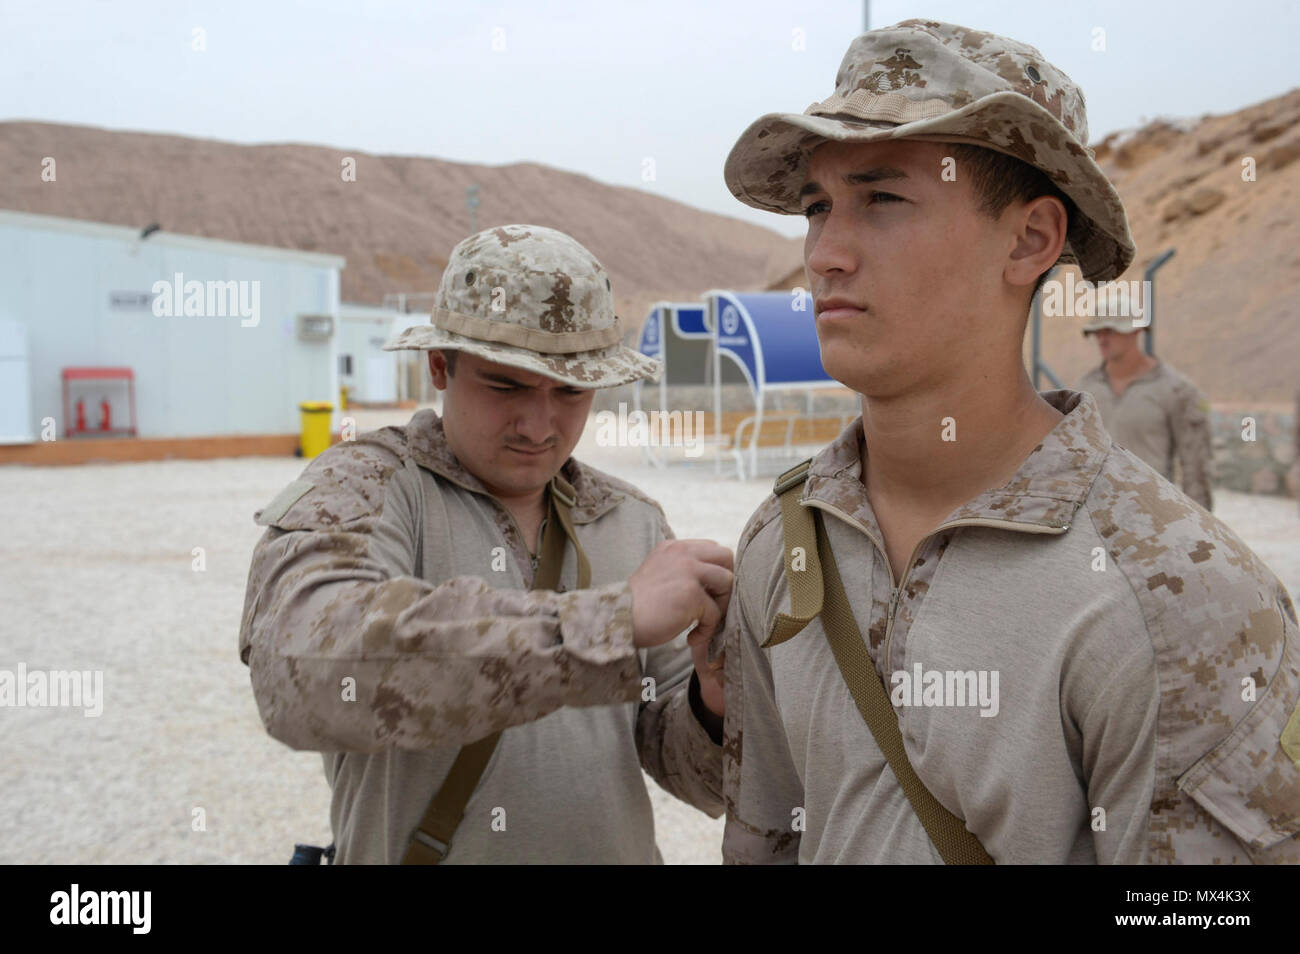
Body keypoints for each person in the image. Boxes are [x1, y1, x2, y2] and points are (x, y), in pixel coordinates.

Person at [711, 19, 1300, 863]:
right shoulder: (786, 539)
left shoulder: (1179, 594)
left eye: (883, 199)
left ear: (1029, 241)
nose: (825, 254)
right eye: (816, 208)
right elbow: (770, 836)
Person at [239, 224, 731, 864]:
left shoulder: (627, 520)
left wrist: (713, 705)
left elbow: (689, 769)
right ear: (439, 366)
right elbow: (301, 673)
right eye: (506, 386)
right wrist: (606, 621)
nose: (538, 425)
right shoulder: (370, 487)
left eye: (570, 393)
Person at [1077, 316, 1214, 510]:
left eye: (1110, 331)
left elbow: (1196, 469)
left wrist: (1199, 528)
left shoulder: (1177, 391)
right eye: (1097, 332)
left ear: (1136, 331)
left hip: (1152, 515)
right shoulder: (1086, 389)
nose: (1102, 339)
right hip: (1096, 513)